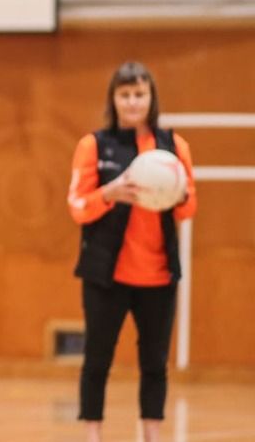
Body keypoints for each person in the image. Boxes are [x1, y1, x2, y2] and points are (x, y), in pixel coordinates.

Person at [67, 61, 196, 442]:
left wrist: (178, 194)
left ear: (151, 98)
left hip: (158, 275)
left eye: (139, 94)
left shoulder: (175, 146)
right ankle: (94, 433)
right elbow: (77, 206)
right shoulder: (94, 145)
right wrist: (110, 192)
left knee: (154, 363)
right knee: (97, 360)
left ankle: (152, 434)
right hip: (106, 274)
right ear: (114, 99)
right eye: (125, 95)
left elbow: (189, 210)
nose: (133, 102)